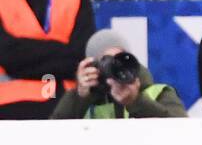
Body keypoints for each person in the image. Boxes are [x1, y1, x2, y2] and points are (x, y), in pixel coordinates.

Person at [52, 28, 188, 119]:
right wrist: (79, 98)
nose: (114, 67)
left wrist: (136, 101)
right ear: (92, 67)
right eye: (106, 61)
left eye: (119, 59)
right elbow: (51, 135)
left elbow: (183, 130)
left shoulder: (158, 93)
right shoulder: (83, 99)